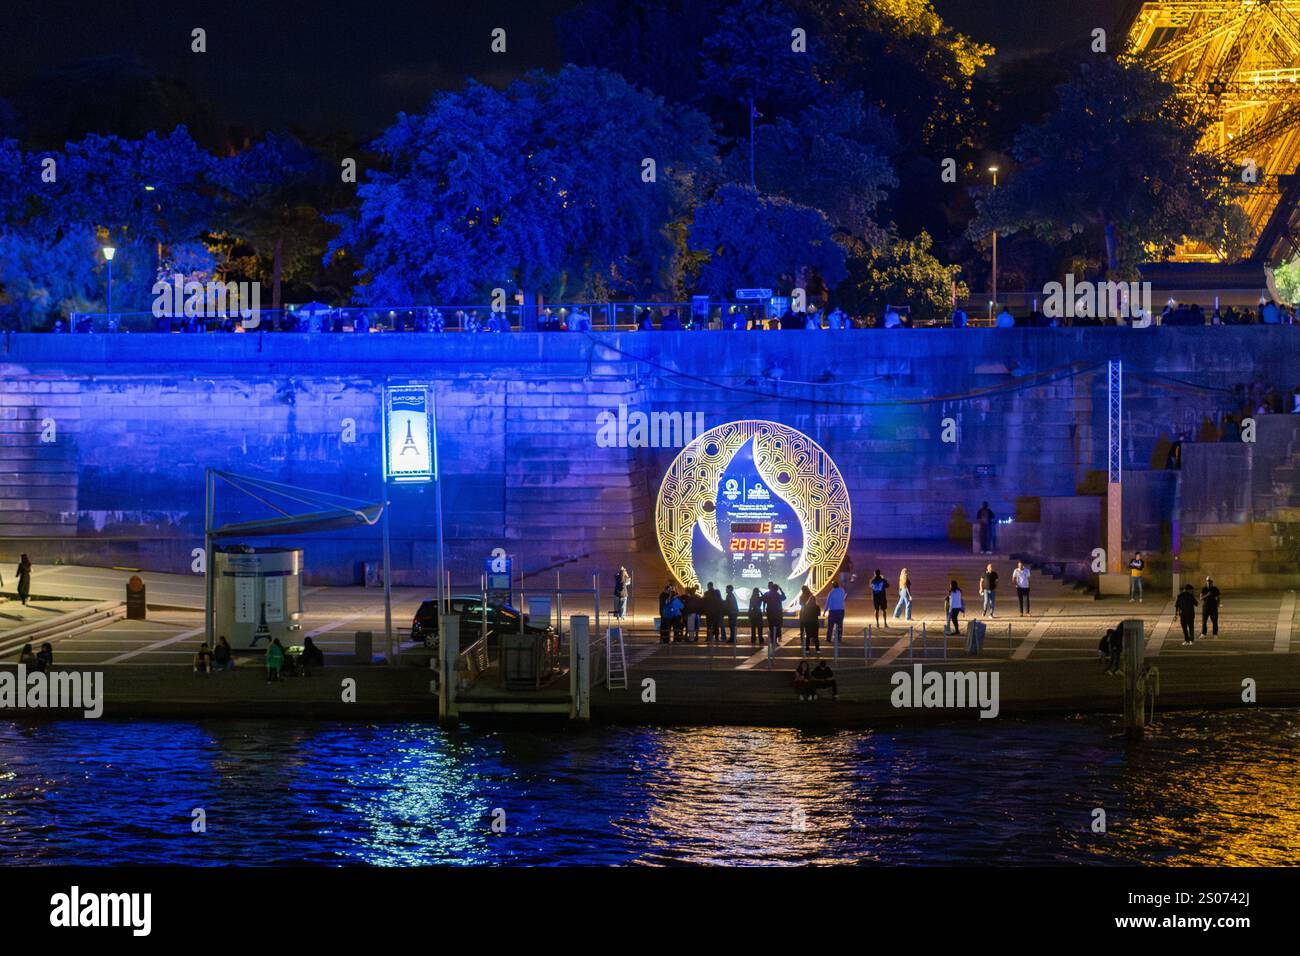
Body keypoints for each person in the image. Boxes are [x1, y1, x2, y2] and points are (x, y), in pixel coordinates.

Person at [765, 581, 787, 648]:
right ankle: (774, 641)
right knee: (777, 628)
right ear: (777, 589)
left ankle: (773, 640)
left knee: (771, 628)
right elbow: (784, 597)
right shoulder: (777, 595)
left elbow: (763, 600)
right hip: (777, 614)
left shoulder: (768, 594)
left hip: (770, 614)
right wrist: (781, 590)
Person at [825, 580, 846, 646]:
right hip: (841, 610)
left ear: (833, 586)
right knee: (840, 625)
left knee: (830, 625)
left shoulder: (831, 592)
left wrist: (825, 610)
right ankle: (839, 638)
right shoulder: (842, 591)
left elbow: (827, 602)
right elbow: (844, 597)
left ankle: (829, 638)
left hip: (833, 611)